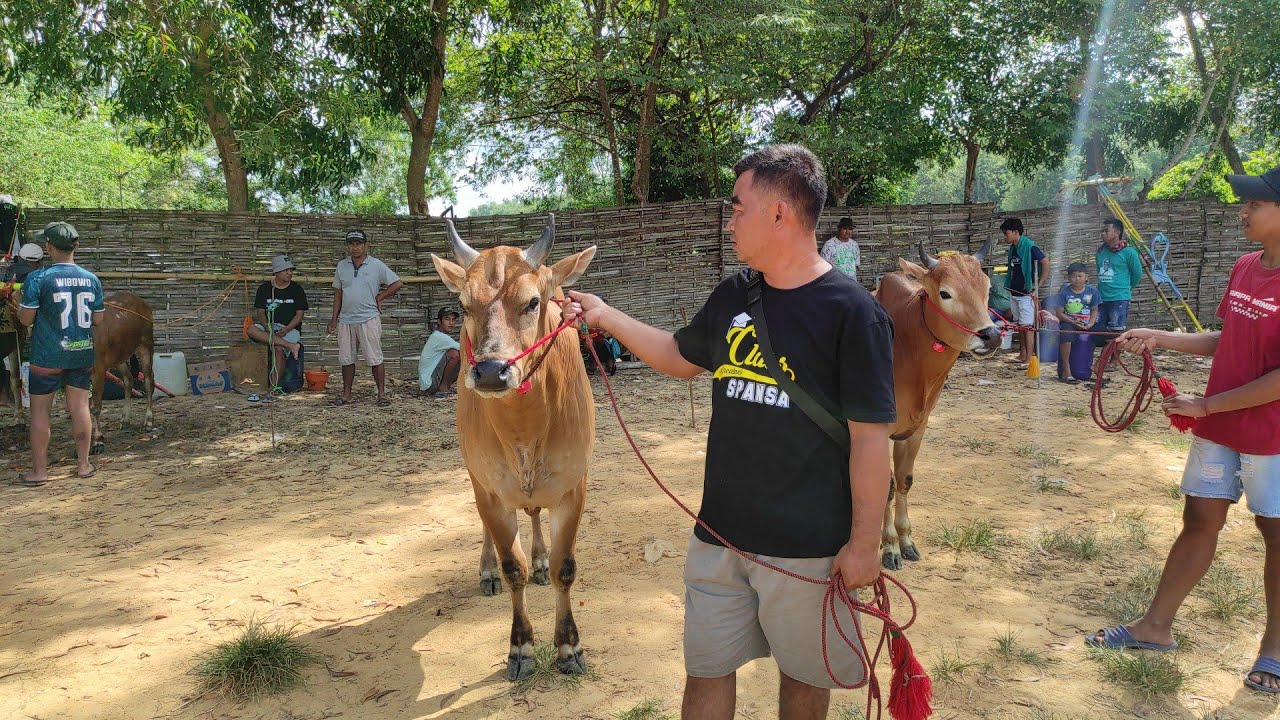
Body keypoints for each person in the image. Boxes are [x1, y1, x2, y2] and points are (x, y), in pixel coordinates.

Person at [564, 144, 895, 720]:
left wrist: (864, 543)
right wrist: (604, 315)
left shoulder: (854, 313)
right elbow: (679, 355)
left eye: (738, 207)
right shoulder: (734, 295)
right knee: (706, 670)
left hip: (809, 549)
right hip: (718, 536)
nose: (729, 220)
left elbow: (871, 440)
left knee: (803, 679)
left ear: (779, 213)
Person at [1087, 166, 1280, 694]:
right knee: (1199, 520)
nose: (1242, 212)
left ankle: (1274, 649)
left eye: (1254, 205)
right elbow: (1227, 339)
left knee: (1277, 537)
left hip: (1271, 435)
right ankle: (1155, 627)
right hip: (1219, 426)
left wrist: (1206, 404)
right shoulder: (1246, 266)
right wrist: (1160, 336)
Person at [11, 221, 103, 487]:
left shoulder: (39, 278)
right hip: (81, 353)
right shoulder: (91, 279)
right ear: (77, 246)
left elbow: (26, 320)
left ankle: (40, 472)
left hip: (47, 356)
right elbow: (98, 319)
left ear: (49, 247)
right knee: (80, 407)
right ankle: (83, 465)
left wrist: (18, 305)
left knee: (40, 412)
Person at [328, 228, 403, 407]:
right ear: (347, 246)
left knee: (375, 357)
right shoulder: (341, 266)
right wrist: (334, 319)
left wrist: (380, 297)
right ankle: (347, 394)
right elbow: (338, 294)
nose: (355, 247)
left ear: (365, 245)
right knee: (347, 359)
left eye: (358, 244)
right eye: (351, 244)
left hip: (369, 317)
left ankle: (381, 394)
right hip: (346, 319)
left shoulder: (376, 265)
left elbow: (397, 283)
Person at [248, 254, 308, 387]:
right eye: (286, 270)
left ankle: (274, 387)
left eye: (291, 270)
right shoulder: (264, 289)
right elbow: (260, 312)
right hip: (269, 326)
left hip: (290, 329)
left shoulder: (297, 289)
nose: (290, 273)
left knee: (278, 349)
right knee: (251, 330)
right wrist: (266, 326)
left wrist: (286, 329)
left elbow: (299, 315)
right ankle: (290, 346)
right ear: (276, 272)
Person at [1001, 217, 1050, 363]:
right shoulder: (1013, 248)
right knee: (1020, 325)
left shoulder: (1030, 247)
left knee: (1027, 326)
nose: (1004, 236)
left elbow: (1045, 262)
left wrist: (1038, 285)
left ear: (1016, 232)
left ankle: (1029, 358)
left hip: (1026, 293)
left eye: (1006, 233)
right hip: (1015, 292)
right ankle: (1022, 354)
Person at [1046, 262, 1099, 384]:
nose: (1077, 279)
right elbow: (1059, 313)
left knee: (1111, 338)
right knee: (1066, 335)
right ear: (1069, 278)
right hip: (1069, 321)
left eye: (1080, 276)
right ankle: (1066, 369)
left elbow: (1094, 309)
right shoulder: (1064, 293)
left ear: (1086, 277)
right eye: (1074, 276)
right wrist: (1074, 322)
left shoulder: (1093, 291)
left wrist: (1090, 324)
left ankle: (1096, 365)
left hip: (1087, 322)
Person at [1095, 217, 1144, 340]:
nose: (1103, 233)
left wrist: (1125, 288)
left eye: (1106, 231)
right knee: (1097, 331)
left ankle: (1113, 353)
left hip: (1119, 298)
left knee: (1115, 331)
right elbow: (1099, 271)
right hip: (1101, 297)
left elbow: (1137, 274)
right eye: (1102, 231)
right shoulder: (1100, 251)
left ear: (1117, 233)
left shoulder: (1128, 252)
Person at [418, 307, 460, 398]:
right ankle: (443, 388)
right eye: (447, 319)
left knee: (459, 354)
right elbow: (463, 349)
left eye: (453, 319)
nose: (451, 323)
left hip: (428, 383)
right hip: (429, 384)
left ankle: (445, 386)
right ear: (439, 321)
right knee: (455, 354)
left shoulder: (439, 336)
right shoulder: (439, 337)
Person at [819, 216, 861, 282]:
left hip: (852, 283)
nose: (847, 231)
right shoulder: (829, 245)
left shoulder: (854, 245)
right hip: (835, 283)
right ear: (839, 229)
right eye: (845, 228)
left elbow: (856, 264)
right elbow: (823, 266)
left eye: (850, 229)